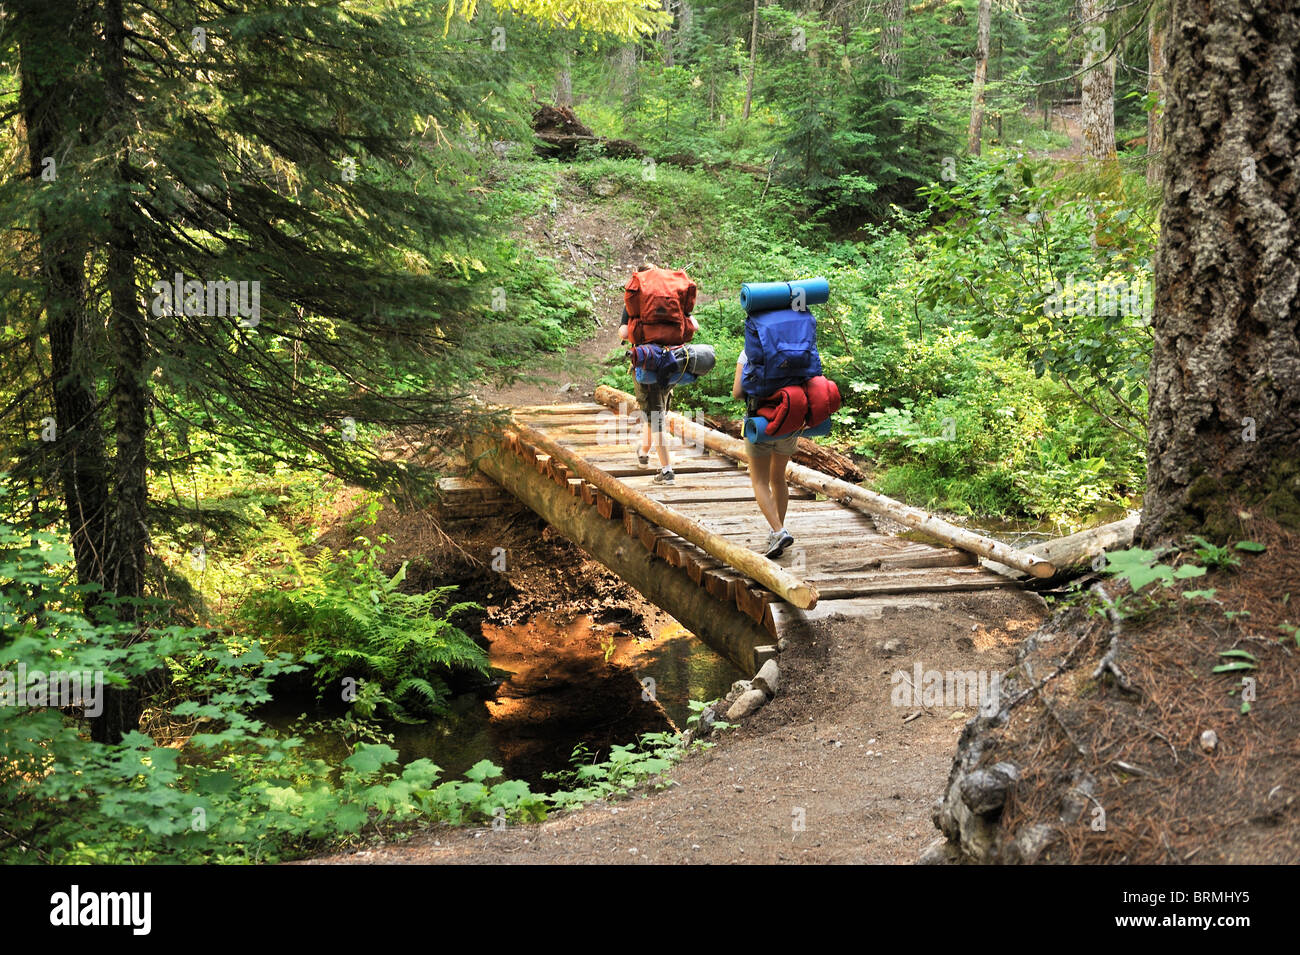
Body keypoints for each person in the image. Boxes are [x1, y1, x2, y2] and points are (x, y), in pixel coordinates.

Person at [619, 264, 698, 486]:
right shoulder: (671, 296)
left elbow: (624, 332)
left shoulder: (636, 301)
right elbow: (694, 325)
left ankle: (667, 471)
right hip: (673, 361)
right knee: (655, 411)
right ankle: (643, 452)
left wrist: (632, 333)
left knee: (655, 418)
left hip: (648, 364)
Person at [733, 351, 796, 558]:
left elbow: (737, 392)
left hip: (760, 423)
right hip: (789, 420)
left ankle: (778, 531)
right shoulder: (795, 349)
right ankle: (776, 531)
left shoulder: (748, 352)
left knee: (759, 481)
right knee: (778, 478)